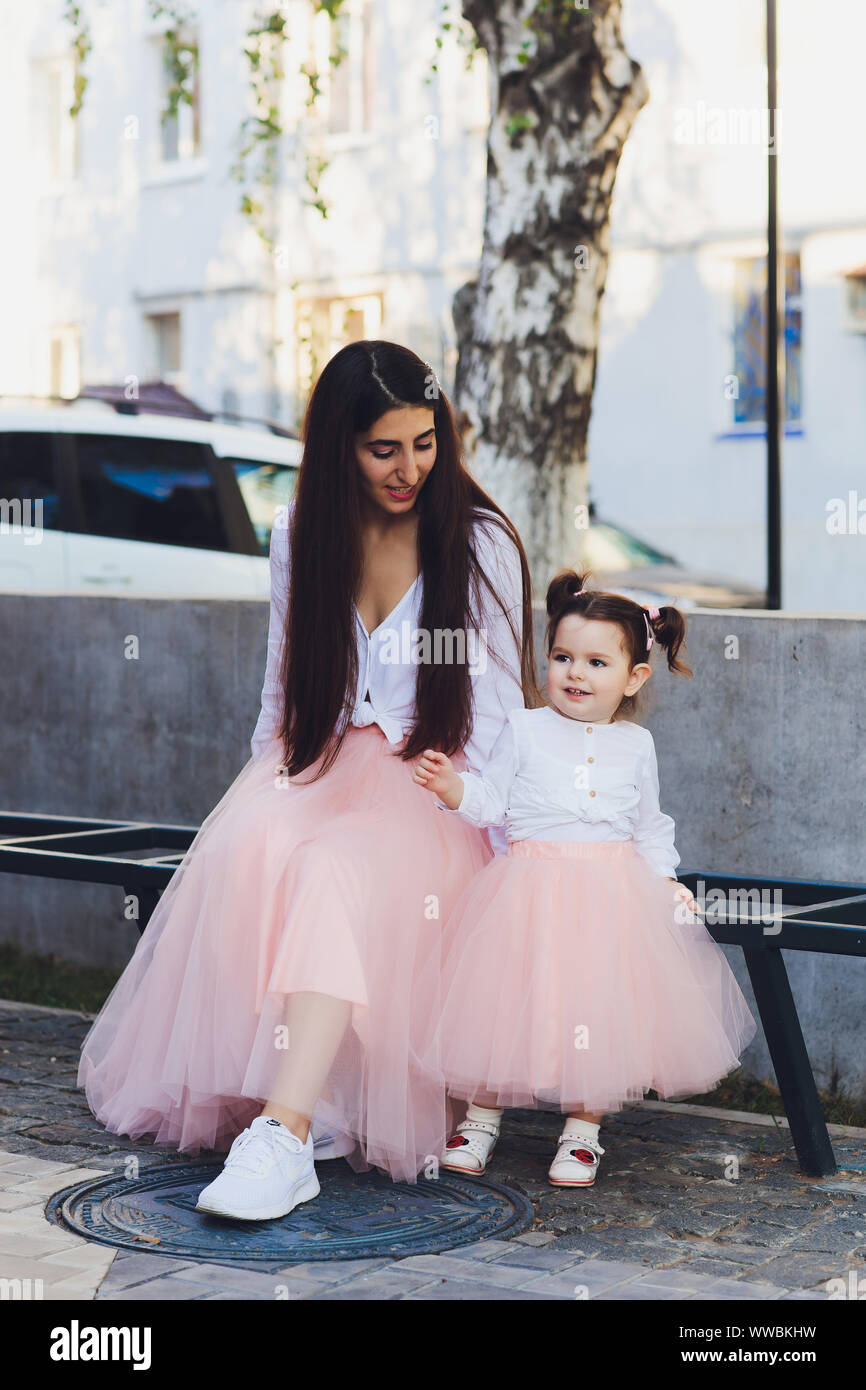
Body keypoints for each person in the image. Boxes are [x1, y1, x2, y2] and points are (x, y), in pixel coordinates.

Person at [77, 340, 538, 1220]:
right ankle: (318, 1102)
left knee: (336, 872)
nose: (410, 468)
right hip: (322, 764)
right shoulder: (301, 533)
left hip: (434, 788)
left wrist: (509, 849)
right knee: (252, 844)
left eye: (425, 441)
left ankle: (284, 1136)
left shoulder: (479, 545)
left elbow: (507, 725)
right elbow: (284, 686)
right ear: (338, 448)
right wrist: (257, 794)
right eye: (384, 449)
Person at [413, 571, 757, 1188]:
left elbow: (649, 825)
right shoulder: (523, 729)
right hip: (527, 889)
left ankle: (583, 1129)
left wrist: (665, 880)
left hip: (611, 897)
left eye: (597, 662)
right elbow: (492, 801)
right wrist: (453, 788)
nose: (575, 673)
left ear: (633, 678)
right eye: (562, 657)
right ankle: (482, 1117)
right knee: (504, 1001)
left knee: (598, 1005)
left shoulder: (636, 746)